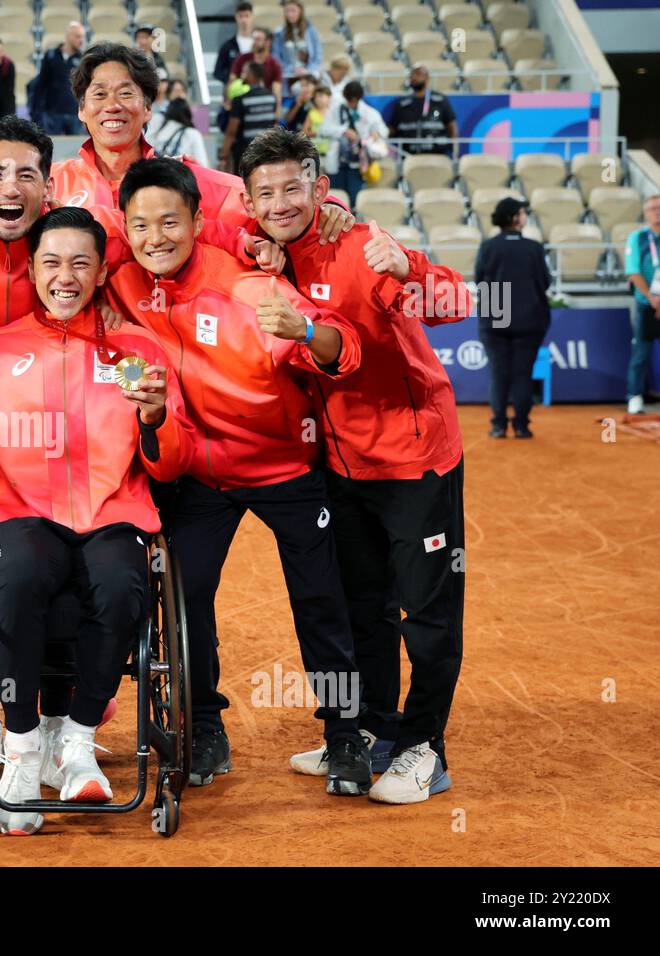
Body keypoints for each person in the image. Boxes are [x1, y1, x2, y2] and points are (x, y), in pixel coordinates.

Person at [104, 158, 369, 794]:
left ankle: (344, 733)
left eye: (171, 221)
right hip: (199, 472)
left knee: (321, 600)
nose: (155, 237)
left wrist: (308, 330)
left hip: (285, 468)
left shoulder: (251, 287)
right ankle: (202, 727)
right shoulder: (121, 283)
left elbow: (342, 344)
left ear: (198, 222)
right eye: (141, 225)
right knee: (186, 598)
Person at [0, 206, 195, 834]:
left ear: (103, 271)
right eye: (51, 261)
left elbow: (171, 461)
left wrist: (156, 419)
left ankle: (75, 744)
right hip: (22, 507)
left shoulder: (131, 350)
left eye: (81, 263)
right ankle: (19, 750)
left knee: (123, 587)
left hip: (113, 509)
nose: (65, 275)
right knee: (17, 583)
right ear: (33, 269)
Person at [239, 127, 470, 805]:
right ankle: (372, 730)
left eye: (293, 186)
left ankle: (426, 748)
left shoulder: (363, 247)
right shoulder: (269, 256)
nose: (280, 201)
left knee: (426, 612)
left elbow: (455, 303)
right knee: (363, 608)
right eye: (265, 192)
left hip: (416, 457)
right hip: (342, 465)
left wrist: (410, 269)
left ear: (318, 185)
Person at [45, 42, 353, 245]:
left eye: (126, 93)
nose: (112, 105)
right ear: (81, 109)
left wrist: (325, 206)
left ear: (148, 108)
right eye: (99, 94)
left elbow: (258, 197)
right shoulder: (52, 183)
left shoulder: (183, 178)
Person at [475, 197, 551, 439]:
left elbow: (479, 280)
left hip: (495, 312)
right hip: (529, 317)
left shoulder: (488, 246)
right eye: (521, 212)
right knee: (522, 373)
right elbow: (545, 282)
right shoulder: (534, 247)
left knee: (498, 373)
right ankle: (521, 426)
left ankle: (498, 425)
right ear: (515, 218)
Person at [317, 80, 387, 208]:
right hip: (337, 165)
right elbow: (323, 130)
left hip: (357, 166)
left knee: (354, 201)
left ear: (359, 98)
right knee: (335, 202)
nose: (351, 103)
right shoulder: (336, 110)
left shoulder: (369, 113)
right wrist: (343, 131)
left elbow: (383, 130)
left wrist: (376, 133)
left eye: (354, 100)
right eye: (348, 100)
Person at [624, 193, 660, 414]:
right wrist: (652, 298)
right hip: (646, 303)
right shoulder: (637, 237)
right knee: (641, 352)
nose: (657, 212)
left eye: (659, 208)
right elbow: (632, 271)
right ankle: (635, 396)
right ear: (645, 213)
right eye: (652, 208)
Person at [385, 65, 458, 157]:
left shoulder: (440, 100)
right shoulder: (402, 103)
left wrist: (455, 152)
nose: (414, 77)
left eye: (419, 74)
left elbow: (452, 128)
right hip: (408, 155)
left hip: (436, 154)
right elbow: (392, 128)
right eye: (412, 75)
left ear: (427, 78)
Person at [30, 20, 85, 135]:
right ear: (69, 36)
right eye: (78, 36)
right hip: (52, 113)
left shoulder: (82, 60)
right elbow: (41, 85)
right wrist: (36, 112)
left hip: (74, 113)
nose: (82, 40)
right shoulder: (51, 56)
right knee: (50, 147)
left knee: (76, 150)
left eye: (83, 37)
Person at [221, 62, 277, 174]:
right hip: (267, 151)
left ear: (252, 75)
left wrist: (223, 156)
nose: (242, 75)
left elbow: (231, 131)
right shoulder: (271, 97)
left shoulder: (240, 100)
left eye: (245, 72)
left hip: (246, 152)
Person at [230, 28, 283, 111]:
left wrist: (276, 112)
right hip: (242, 104)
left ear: (268, 42)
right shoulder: (242, 58)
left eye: (258, 39)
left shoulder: (275, 65)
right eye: (253, 39)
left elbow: (276, 91)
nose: (254, 42)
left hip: (263, 105)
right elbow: (232, 81)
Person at [152, 97, 209, 167]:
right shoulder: (192, 133)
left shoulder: (160, 130)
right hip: (182, 175)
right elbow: (203, 164)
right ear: (188, 113)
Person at [273, 1, 322, 83]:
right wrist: (292, 69)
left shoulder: (311, 31)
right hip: (288, 74)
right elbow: (276, 57)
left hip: (309, 73)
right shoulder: (279, 33)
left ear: (300, 11)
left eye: (293, 11)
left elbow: (318, 55)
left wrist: (308, 69)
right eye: (287, 11)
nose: (290, 14)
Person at [213, 2, 255, 86]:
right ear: (236, 17)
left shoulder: (259, 44)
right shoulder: (228, 46)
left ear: (252, 17)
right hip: (235, 91)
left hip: (256, 90)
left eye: (247, 16)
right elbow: (218, 72)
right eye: (240, 16)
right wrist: (231, 80)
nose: (244, 20)